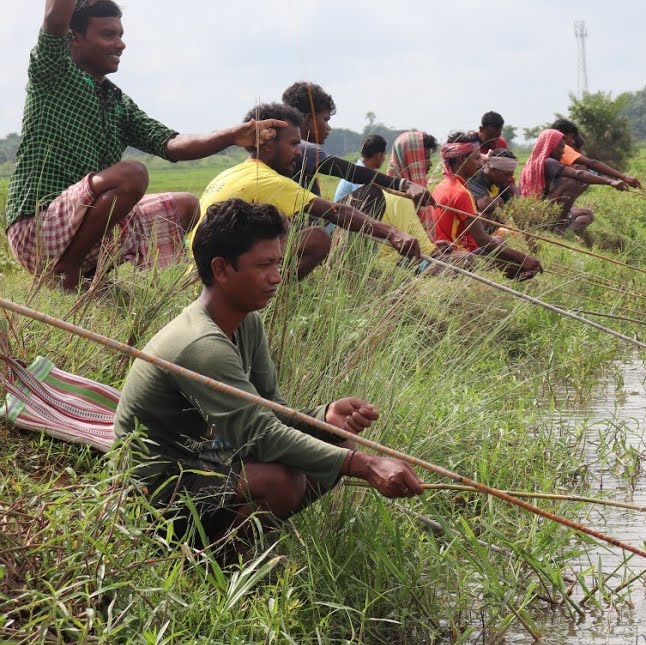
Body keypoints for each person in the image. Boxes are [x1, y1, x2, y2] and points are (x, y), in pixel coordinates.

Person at [113, 198, 425, 554]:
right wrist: (367, 466)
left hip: (201, 460)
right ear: (221, 269)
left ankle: (224, 538)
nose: (277, 276)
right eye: (264, 265)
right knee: (283, 481)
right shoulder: (201, 343)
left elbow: (270, 411)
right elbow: (260, 437)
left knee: (336, 445)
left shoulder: (247, 321)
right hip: (153, 487)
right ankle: (209, 565)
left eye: (278, 262)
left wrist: (324, 417)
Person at [5, 0, 287, 292]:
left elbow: (173, 144)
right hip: (39, 229)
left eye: (121, 35)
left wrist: (231, 135)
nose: (120, 44)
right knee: (132, 174)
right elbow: (54, 18)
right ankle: (67, 272)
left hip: (81, 227)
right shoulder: (54, 73)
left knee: (186, 206)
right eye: (108, 35)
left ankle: (91, 276)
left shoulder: (117, 103)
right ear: (74, 39)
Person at [193, 103, 423, 280]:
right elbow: (336, 212)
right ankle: (274, 301)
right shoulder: (267, 179)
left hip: (206, 272)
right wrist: (393, 233)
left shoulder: (229, 173)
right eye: (293, 144)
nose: (297, 152)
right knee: (318, 238)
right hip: (220, 277)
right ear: (267, 143)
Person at [280, 82, 428, 204]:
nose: (328, 127)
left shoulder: (280, 145)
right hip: (305, 232)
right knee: (371, 194)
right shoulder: (305, 149)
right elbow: (352, 172)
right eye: (325, 119)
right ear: (309, 119)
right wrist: (404, 184)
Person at [430, 134, 542, 280]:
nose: (480, 163)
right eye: (476, 158)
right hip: (456, 253)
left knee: (499, 243)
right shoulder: (461, 192)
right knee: (511, 260)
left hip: (449, 249)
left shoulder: (443, 185)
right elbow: (481, 239)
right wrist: (523, 258)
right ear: (462, 160)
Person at [520, 128, 627, 234]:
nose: (563, 151)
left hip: (537, 211)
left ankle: (565, 229)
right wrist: (610, 182)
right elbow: (579, 174)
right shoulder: (549, 162)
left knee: (588, 214)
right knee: (571, 182)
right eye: (561, 147)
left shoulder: (534, 162)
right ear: (550, 146)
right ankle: (559, 228)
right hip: (539, 213)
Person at [548, 118, 641, 189]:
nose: (573, 142)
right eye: (571, 137)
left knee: (587, 213)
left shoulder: (549, 151)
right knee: (582, 169)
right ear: (560, 135)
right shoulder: (561, 148)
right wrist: (622, 177)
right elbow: (591, 163)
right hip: (548, 198)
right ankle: (561, 212)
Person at [387, 131, 440, 226]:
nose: (430, 164)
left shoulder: (414, 194)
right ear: (410, 159)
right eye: (426, 158)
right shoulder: (397, 197)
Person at [466, 149, 518, 224]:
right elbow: (484, 204)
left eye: (511, 175)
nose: (509, 179)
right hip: (467, 226)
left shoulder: (499, 181)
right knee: (489, 213)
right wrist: (499, 200)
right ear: (493, 170)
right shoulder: (475, 178)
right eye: (507, 174)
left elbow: (510, 204)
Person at [333, 134, 388, 204]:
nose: (384, 158)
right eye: (384, 154)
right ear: (378, 155)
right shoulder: (358, 174)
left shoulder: (358, 170)